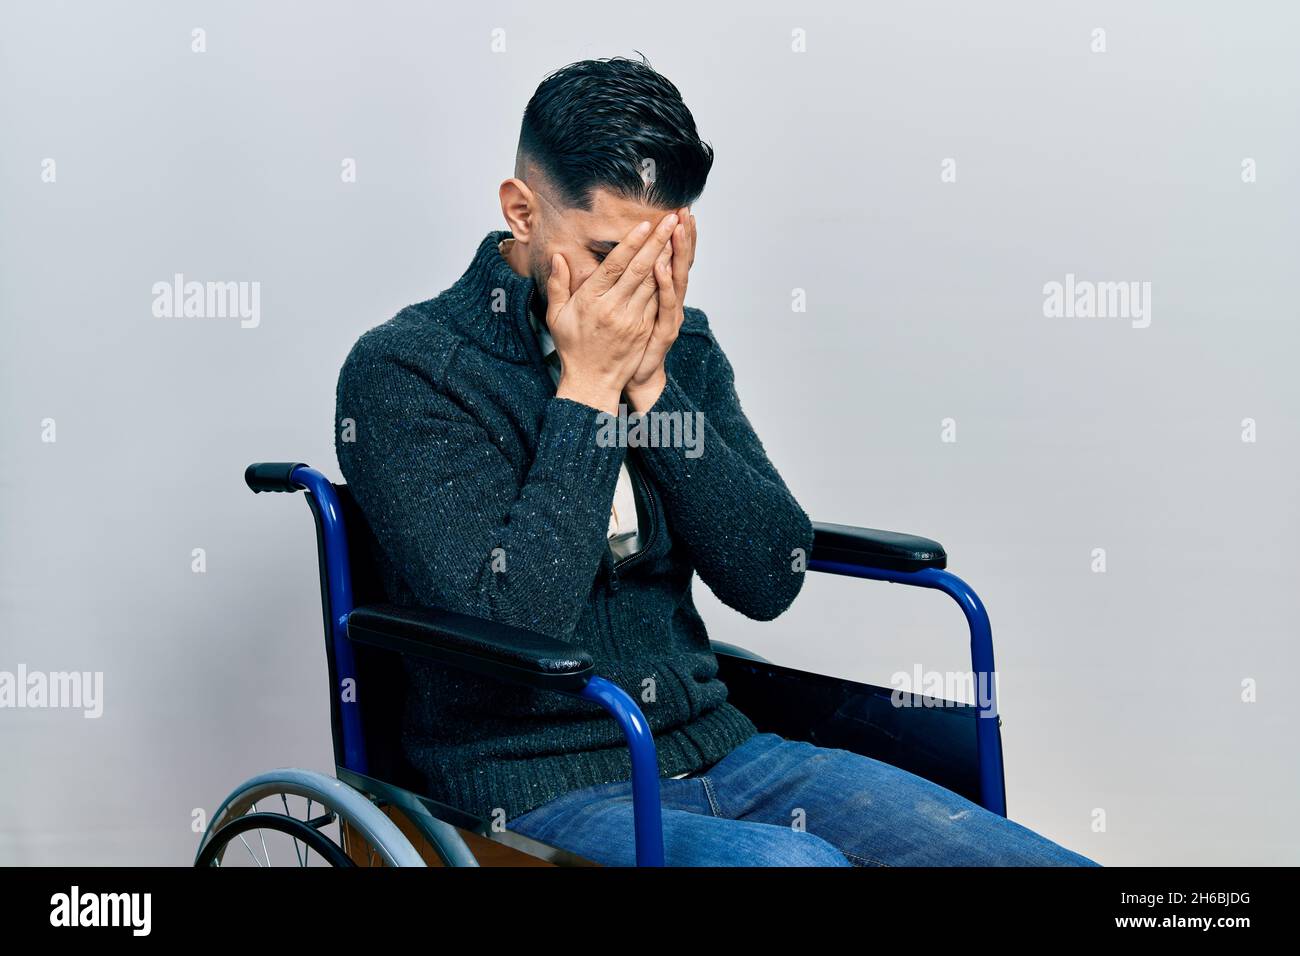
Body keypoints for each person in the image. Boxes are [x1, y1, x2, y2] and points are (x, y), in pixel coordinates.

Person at [335, 53, 1099, 867]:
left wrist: (656, 390)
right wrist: (589, 391)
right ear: (522, 213)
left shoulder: (681, 346)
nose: (637, 292)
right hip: (532, 782)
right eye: (607, 257)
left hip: (726, 748)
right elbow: (520, 627)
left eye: (660, 257)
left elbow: (770, 577)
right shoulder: (409, 372)